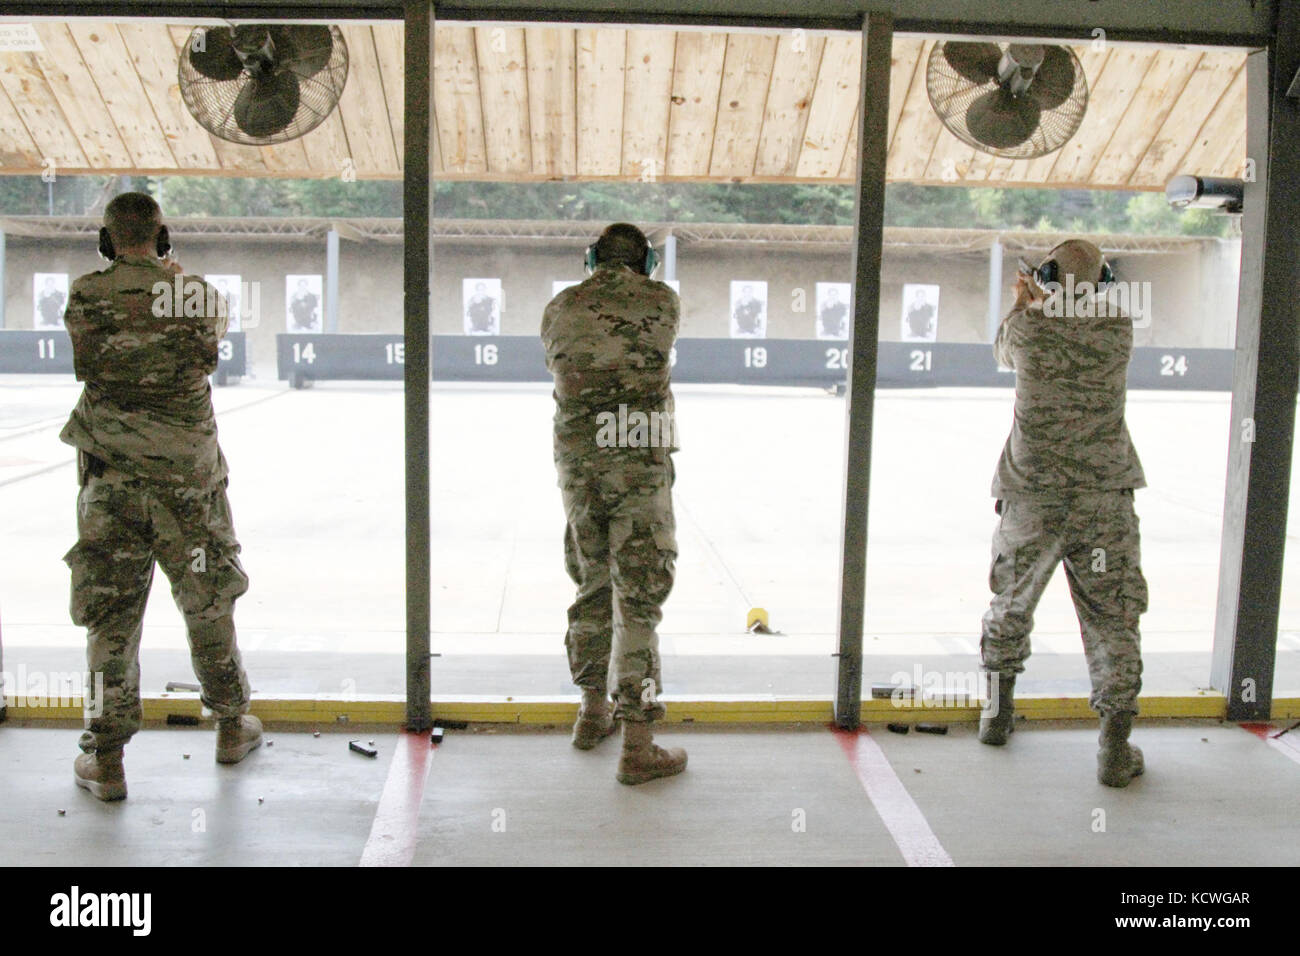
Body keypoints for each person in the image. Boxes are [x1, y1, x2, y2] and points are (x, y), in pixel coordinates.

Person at [61, 192, 259, 802]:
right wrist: (173, 278)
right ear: (163, 236)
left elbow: (89, 358)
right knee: (207, 601)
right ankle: (229, 725)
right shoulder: (194, 295)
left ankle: (108, 757)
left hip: (111, 487)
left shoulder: (87, 295)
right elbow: (213, 334)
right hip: (187, 488)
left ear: (106, 240)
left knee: (110, 621)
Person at [978, 239, 1148, 788]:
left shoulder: (1027, 329)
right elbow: (1085, 311)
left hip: (1034, 496)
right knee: (1112, 616)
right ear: (1103, 284)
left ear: (1048, 273)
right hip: (1103, 499)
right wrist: (1059, 292)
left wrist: (1024, 299)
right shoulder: (1118, 328)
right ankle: (1114, 748)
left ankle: (997, 715)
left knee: (1012, 600)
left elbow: (1003, 350)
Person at [540, 222, 686, 785]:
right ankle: (639, 743)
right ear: (646, 263)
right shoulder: (662, 301)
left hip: (580, 472)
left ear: (591, 258)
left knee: (592, 585)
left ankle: (590, 713)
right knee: (641, 600)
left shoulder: (561, 307)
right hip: (638, 468)